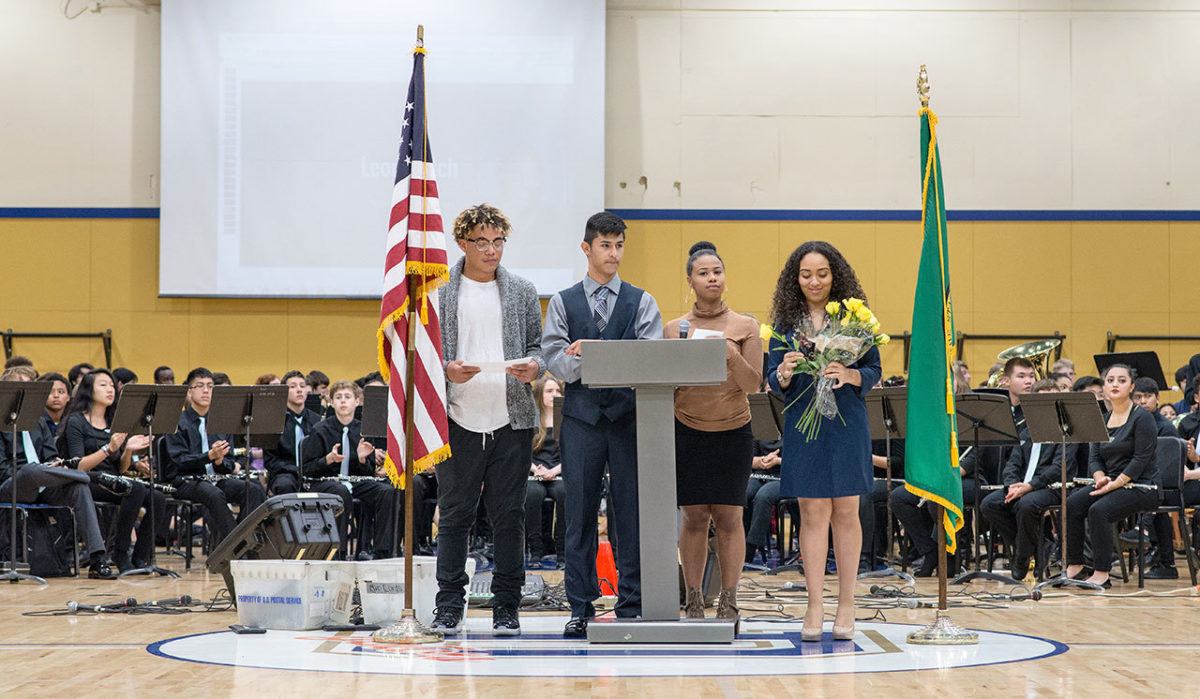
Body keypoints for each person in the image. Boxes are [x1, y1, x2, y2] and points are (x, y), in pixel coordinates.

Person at [542, 211, 663, 638]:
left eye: (619, 245)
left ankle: (632, 602)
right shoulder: (562, 301)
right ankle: (580, 605)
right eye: (605, 245)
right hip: (580, 420)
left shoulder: (642, 301)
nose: (613, 254)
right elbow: (554, 360)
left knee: (630, 512)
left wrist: (592, 352)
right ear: (586, 248)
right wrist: (595, 360)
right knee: (578, 514)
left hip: (629, 419)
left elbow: (649, 360)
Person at [429, 203, 544, 638]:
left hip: (510, 419)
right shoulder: (440, 292)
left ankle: (506, 607)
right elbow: (423, 355)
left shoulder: (521, 290)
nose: (492, 250)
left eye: (498, 242)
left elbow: (537, 348)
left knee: (508, 517)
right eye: (482, 242)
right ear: (463, 243)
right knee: (455, 516)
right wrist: (446, 369)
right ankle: (448, 607)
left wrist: (535, 367)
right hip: (457, 418)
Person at [767, 240, 880, 641]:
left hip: (846, 421)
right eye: (805, 274)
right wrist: (781, 371)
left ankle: (847, 604)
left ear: (836, 276)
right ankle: (814, 604)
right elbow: (772, 378)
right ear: (794, 279)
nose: (814, 281)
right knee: (812, 512)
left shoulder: (856, 318)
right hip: (803, 422)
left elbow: (873, 369)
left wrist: (851, 376)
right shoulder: (785, 323)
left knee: (846, 511)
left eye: (822, 273)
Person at [665, 241, 761, 620]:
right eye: (703, 273)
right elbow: (667, 383)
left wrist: (730, 354)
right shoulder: (674, 328)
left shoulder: (745, 326)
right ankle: (692, 596)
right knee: (693, 518)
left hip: (733, 431)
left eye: (717, 272)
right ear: (690, 280)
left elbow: (754, 384)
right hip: (687, 430)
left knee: (729, 518)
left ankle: (729, 597)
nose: (711, 278)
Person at [893, 357, 1033, 576]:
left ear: (956, 380)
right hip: (940, 477)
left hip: (970, 479)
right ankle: (931, 551)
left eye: (948, 380)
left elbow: (973, 458)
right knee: (899, 497)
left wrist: (941, 481)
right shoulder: (934, 413)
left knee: (939, 499)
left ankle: (950, 557)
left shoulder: (973, 408)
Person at [0, 368, 113, 578]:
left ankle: (97, 560)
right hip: (11, 485)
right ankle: (83, 474)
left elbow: (51, 457)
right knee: (30, 469)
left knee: (79, 487)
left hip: (43, 484)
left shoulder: (39, 420)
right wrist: (40, 470)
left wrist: (55, 466)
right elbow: (3, 469)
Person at [58, 369, 166, 573]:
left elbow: (120, 468)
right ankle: (119, 551)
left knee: (157, 497)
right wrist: (108, 449)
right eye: (103, 385)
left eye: (111, 385)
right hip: (87, 480)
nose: (110, 389)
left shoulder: (114, 422)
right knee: (134, 489)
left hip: (112, 480)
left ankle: (141, 556)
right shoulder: (76, 422)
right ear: (89, 390)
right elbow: (78, 465)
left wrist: (128, 450)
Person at [1064, 364, 1161, 588]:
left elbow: (1141, 459)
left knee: (1099, 510)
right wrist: (1100, 478)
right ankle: (1075, 566)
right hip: (1111, 483)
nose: (1115, 384)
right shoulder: (1103, 419)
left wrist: (1115, 483)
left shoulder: (1142, 418)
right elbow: (1094, 457)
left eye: (1121, 380)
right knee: (1072, 503)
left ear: (1131, 386)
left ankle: (1102, 571)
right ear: (1104, 387)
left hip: (1142, 486)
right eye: (1110, 380)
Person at [980, 379, 1075, 580]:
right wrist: (1012, 485)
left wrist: (1029, 486)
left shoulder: (1067, 432)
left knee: (1026, 504)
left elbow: (1059, 468)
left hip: (1052, 486)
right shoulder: (1027, 430)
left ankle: (1022, 557)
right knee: (989, 504)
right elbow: (1013, 463)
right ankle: (1040, 545)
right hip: (1023, 486)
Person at [163, 367, 267, 547]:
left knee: (254, 489)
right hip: (185, 481)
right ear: (189, 391)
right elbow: (178, 461)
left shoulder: (222, 422)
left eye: (210, 387)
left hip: (215, 478)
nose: (206, 391)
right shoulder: (177, 422)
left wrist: (219, 461)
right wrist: (208, 456)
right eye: (200, 386)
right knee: (214, 494)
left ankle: (240, 539)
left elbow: (228, 462)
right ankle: (236, 545)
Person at [299, 381, 399, 561]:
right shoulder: (320, 429)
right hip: (326, 482)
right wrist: (327, 460)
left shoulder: (363, 430)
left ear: (357, 402)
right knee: (340, 492)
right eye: (338, 397)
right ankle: (340, 551)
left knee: (386, 492)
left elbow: (368, 473)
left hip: (355, 481)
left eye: (347, 397)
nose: (343, 401)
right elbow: (307, 470)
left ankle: (381, 551)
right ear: (331, 402)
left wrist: (362, 459)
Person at [525, 376, 566, 570]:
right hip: (535, 471)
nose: (555, 395)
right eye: (550, 391)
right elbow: (522, 451)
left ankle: (562, 553)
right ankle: (535, 551)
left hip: (558, 470)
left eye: (558, 391)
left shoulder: (563, 417)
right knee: (532, 494)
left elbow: (571, 452)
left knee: (565, 493)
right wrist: (536, 470)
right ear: (540, 394)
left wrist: (554, 471)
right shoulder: (534, 417)